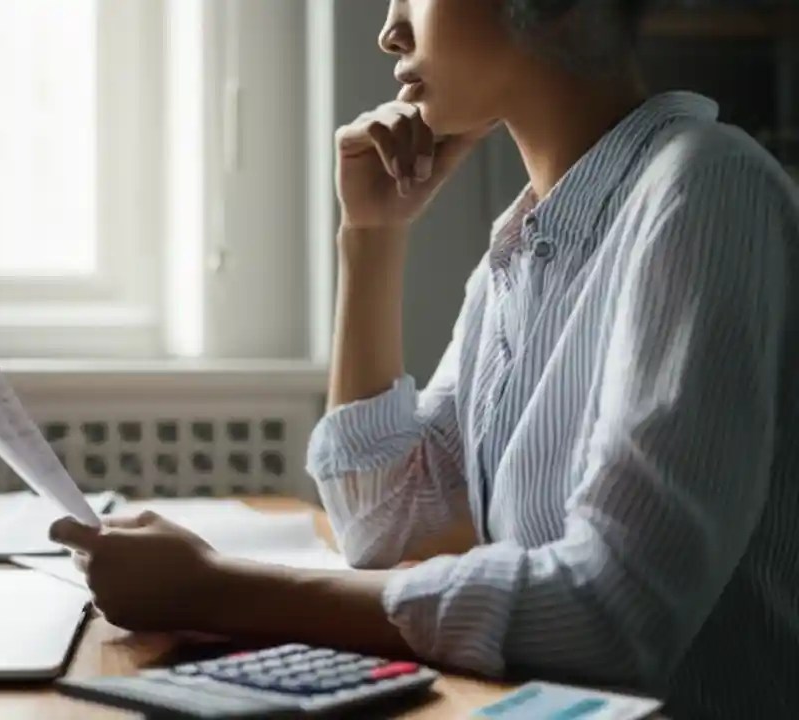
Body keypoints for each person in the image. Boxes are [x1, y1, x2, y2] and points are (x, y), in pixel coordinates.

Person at [50, 0, 799, 715]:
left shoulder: (704, 186)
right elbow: (380, 523)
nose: (387, 32)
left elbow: (613, 612)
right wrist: (371, 237)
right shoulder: (530, 241)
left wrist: (218, 590)